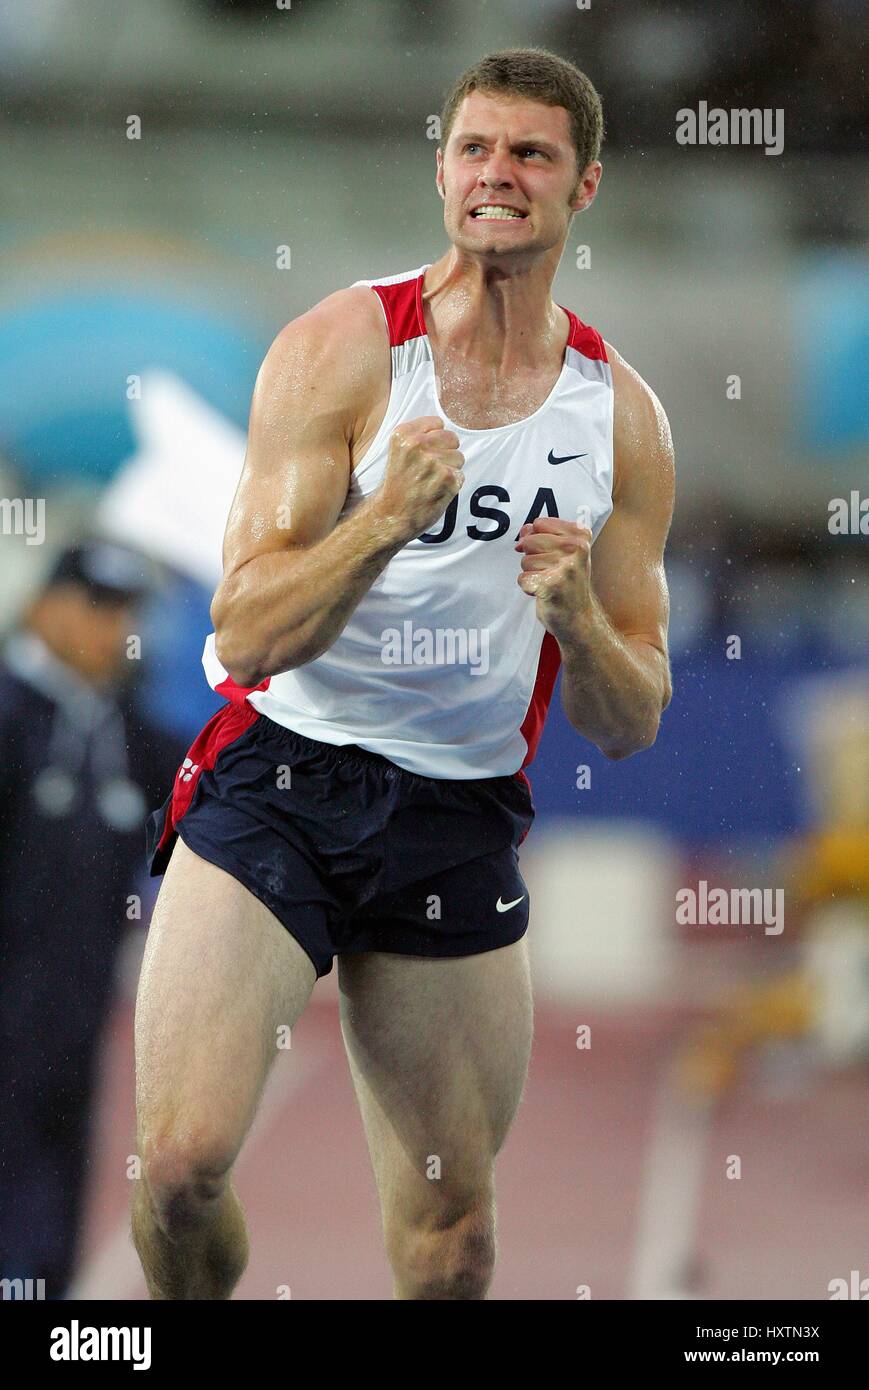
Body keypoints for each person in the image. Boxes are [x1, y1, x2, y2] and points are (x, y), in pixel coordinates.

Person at [136, 47, 674, 1300]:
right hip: (282, 776)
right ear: (440, 170)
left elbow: (632, 718)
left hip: (454, 808)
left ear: (581, 185)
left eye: (529, 154)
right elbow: (247, 633)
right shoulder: (342, 351)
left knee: (453, 1242)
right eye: (474, 150)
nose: (498, 176)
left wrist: (578, 619)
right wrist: (381, 520)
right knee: (178, 1167)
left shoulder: (620, 419)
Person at [0, 540, 186, 1298]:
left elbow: (211, 788)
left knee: (59, 1160)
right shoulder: (11, 714)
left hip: (74, 1004)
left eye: (128, 614)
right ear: (46, 606)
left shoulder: (126, 730)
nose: (115, 632)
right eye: (99, 609)